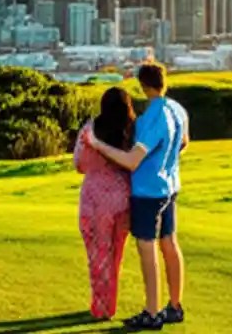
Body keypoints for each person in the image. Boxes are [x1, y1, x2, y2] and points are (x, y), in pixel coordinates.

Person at [87, 62, 188, 331]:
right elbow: (184, 142)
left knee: (147, 248)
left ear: (143, 86)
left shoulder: (149, 119)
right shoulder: (177, 110)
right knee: (169, 243)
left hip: (148, 192)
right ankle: (174, 306)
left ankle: (152, 313)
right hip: (170, 186)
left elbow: (132, 161)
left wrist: (97, 145)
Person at [73, 87, 137, 320]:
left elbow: (79, 164)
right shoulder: (132, 130)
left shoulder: (90, 131)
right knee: (115, 255)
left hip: (94, 200)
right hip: (123, 200)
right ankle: (110, 304)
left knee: (98, 257)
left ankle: (101, 306)